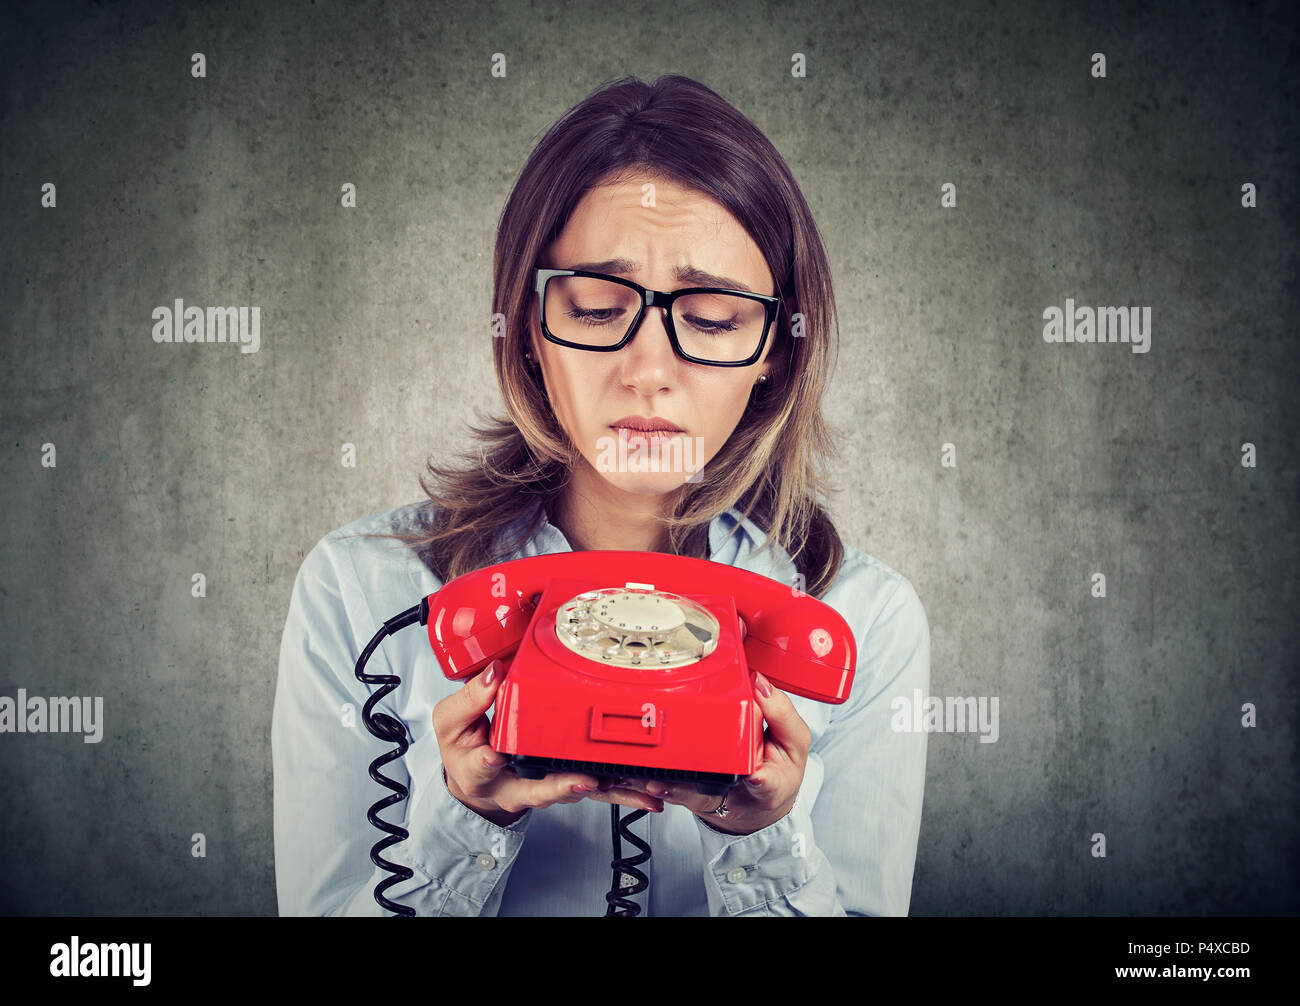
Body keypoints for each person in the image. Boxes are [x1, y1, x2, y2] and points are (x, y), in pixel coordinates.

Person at [273, 74, 930, 916]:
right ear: (528, 331)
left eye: (715, 318)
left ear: (778, 349)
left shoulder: (865, 618)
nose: (649, 372)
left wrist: (764, 837)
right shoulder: (359, 590)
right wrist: (462, 820)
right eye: (592, 308)